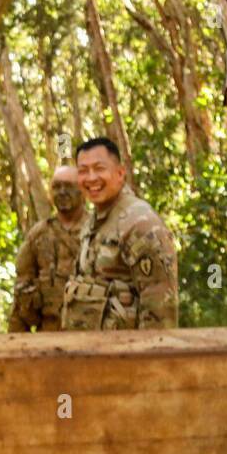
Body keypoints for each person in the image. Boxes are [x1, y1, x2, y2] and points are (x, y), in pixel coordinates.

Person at [61, 137, 179, 331]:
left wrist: (151, 358)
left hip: (125, 354)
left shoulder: (140, 223)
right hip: (91, 352)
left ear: (120, 173)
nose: (91, 178)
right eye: (83, 171)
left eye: (99, 168)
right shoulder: (94, 220)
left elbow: (160, 307)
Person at [8, 165, 85, 332]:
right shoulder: (39, 234)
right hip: (49, 335)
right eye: (56, 187)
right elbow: (22, 291)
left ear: (82, 189)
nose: (62, 192)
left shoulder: (98, 231)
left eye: (69, 186)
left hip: (93, 336)